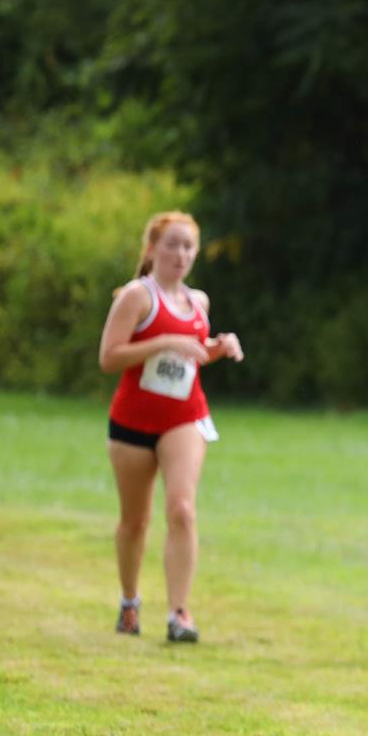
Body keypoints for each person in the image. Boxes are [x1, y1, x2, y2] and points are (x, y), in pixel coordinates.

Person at [97, 211, 244, 643]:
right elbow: (109, 358)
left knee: (182, 509)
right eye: (172, 245)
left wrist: (217, 349)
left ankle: (180, 613)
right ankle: (129, 602)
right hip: (133, 422)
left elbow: (190, 357)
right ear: (151, 249)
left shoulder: (198, 302)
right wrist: (162, 342)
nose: (180, 254)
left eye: (188, 247)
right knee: (135, 522)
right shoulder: (136, 297)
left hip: (185, 417)